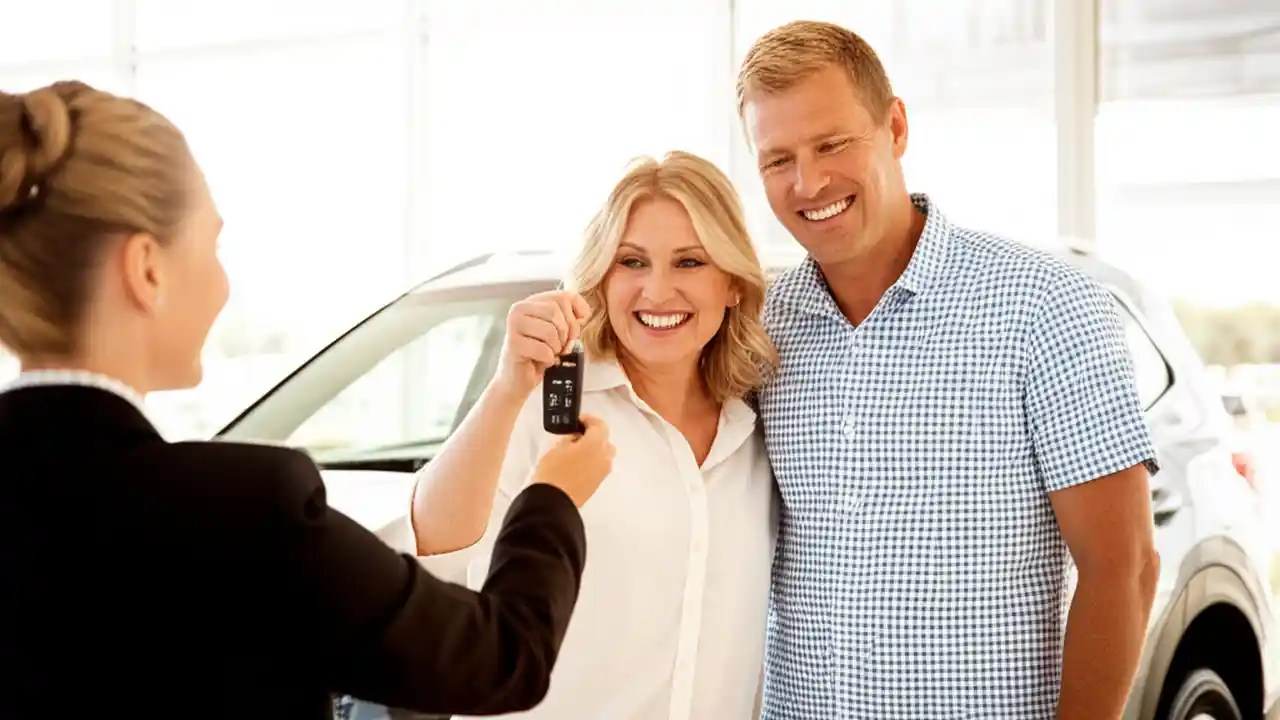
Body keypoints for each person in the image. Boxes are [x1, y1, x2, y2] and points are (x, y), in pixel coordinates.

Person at [0, 80, 614, 719]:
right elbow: (500, 660)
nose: (222, 284)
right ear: (147, 269)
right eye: (210, 246)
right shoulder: (241, 510)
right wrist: (554, 497)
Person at [736, 20, 1161, 720]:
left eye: (832, 143)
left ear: (895, 126)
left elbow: (1125, 567)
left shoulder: (1046, 307)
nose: (808, 181)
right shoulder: (759, 331)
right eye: (777, 159)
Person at [398, 150, 780, 720]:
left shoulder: (757, 429)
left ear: (732, 284)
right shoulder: (548, 410)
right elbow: (433, 545)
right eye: (632, 261)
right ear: (601, 277)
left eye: (690, 262)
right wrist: (506, 388)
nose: (656, 291)